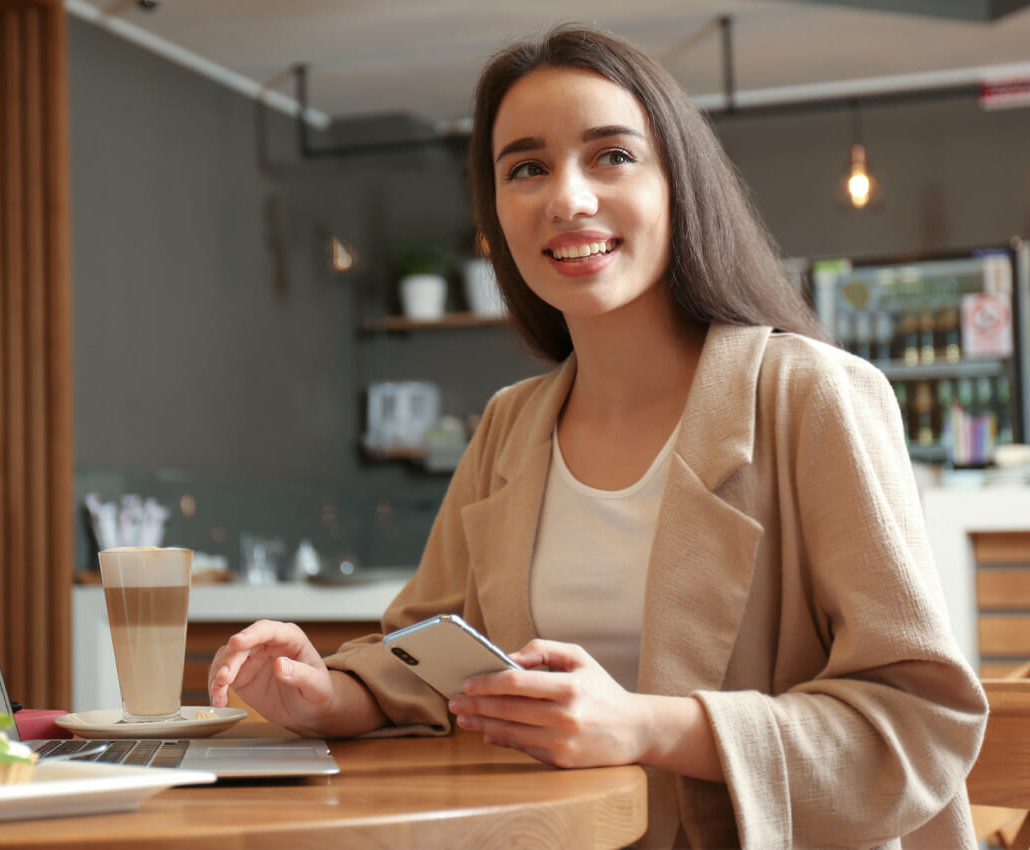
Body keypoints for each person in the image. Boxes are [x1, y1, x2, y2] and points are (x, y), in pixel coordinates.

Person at [209, 24, 987, 849]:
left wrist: (648, 727)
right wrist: (326, 694)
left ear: (678, 184)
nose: (566, 199)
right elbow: (432, 659)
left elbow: (918, 722)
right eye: (526, 169)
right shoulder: (510, 424)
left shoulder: (812, 396)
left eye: (611, 156)